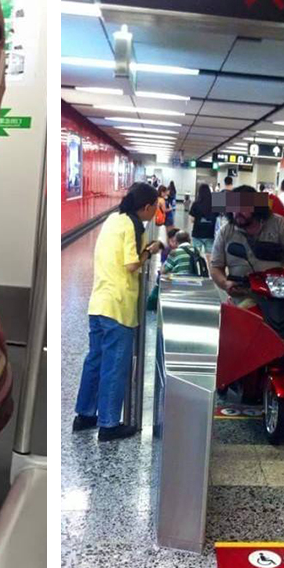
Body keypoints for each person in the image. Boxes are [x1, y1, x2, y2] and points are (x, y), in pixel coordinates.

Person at [74, 183, 163, 441]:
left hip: (98, 302)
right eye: (155, 207)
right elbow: (132, 264)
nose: (155, 212)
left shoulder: (113, 219)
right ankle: (109, 425)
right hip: (118, 306)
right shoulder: (133, 225)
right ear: (146, 206)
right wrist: (150, 250)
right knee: (115, 366)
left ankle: (85, 415)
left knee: (95, 360)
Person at [210, 185, 284, 321]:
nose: (237, 213)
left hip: (281, 291)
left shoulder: (279, 224)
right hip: (245, 293)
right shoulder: (226, 232)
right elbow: (216, 267)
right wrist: (225, 283)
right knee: (243, 318)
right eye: (234, 208)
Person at [189, 183, 219, 255]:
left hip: (197, 233)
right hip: (210, 233)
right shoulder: (215, 204)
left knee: (196, 255)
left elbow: (192, 220)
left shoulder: (195, 204)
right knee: (210, 255)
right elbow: (219, 217)